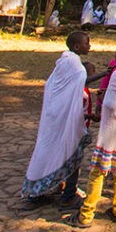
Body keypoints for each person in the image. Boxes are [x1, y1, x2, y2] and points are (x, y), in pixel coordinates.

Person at [71, 37, 116, 228]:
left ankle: (86, 213)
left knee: (97, 173)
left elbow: (111, 103)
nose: (115, 53)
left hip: (113, 130)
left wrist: (102, 102)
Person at [21, 31, 93, 211]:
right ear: (77, 46)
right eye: (87, 42)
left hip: (54, 117)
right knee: (71, 152)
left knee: (49, 152)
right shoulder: (75, 67)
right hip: (66, 119)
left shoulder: (64, 62)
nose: (89, 45)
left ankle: (44, 189)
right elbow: (78, 89)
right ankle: (68, 195)